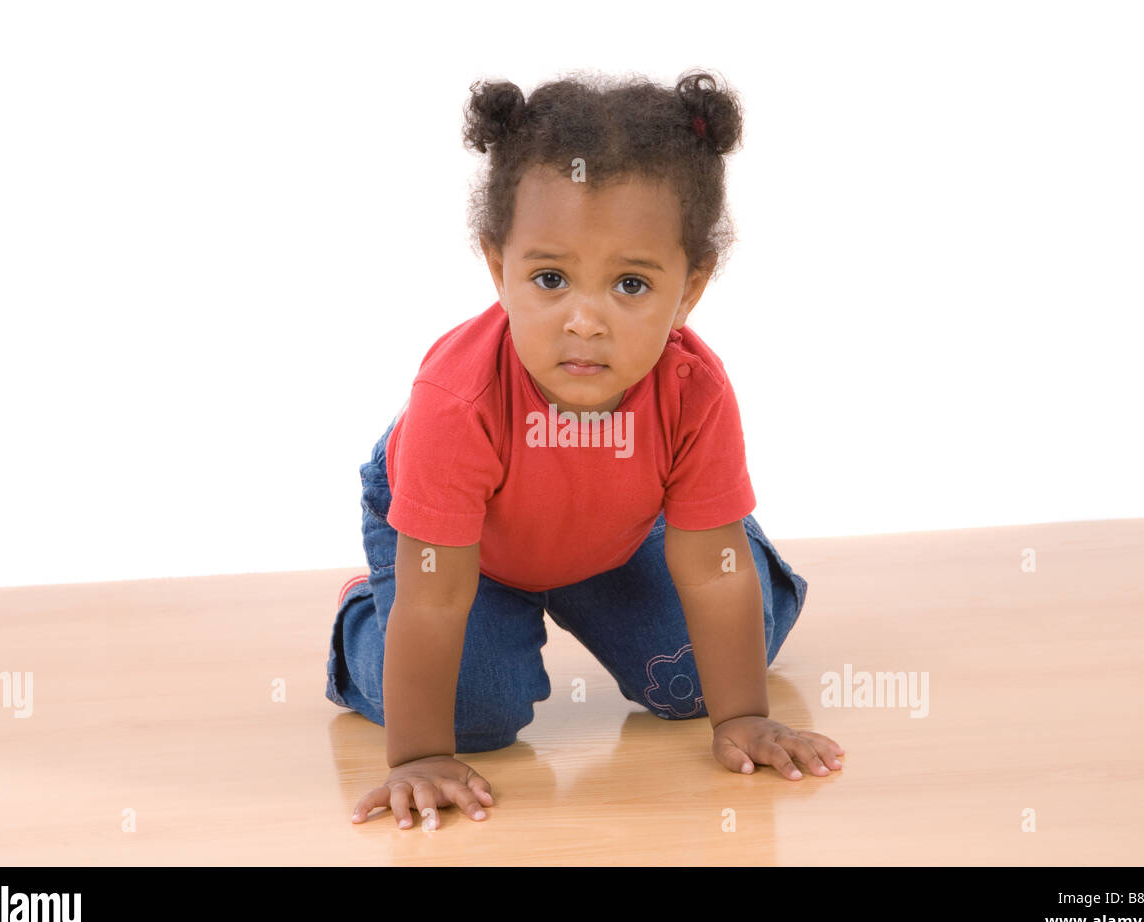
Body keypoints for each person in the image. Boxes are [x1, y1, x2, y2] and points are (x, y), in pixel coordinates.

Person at [326, 68, 844, 831]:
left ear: (690, 288)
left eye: (631, 285)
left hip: (619, 533)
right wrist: (418, 757)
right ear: (497, 266)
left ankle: (733, 550)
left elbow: (711, 574)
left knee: (701, 677)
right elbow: (438, 598)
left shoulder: (692, 389)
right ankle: (361, 620)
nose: (585, 320)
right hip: (462, 554)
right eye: (550, 278)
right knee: (477, 711)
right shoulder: (458, 400)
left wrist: (741, 721)